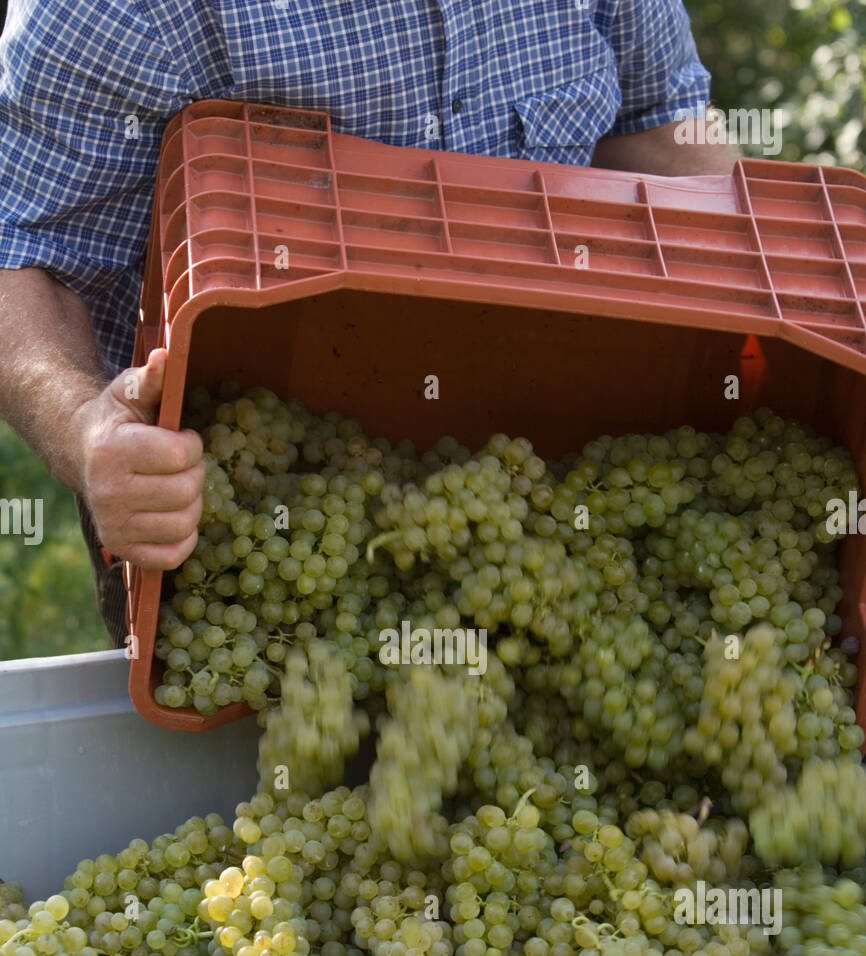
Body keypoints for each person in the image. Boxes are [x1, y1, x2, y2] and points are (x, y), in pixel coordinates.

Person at [0, 0, 736, 646]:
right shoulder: (111, 9)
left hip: (550, 476)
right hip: (258, 522)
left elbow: (656, 131)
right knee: (251, 776)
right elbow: (25, 253)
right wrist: (86, 434)